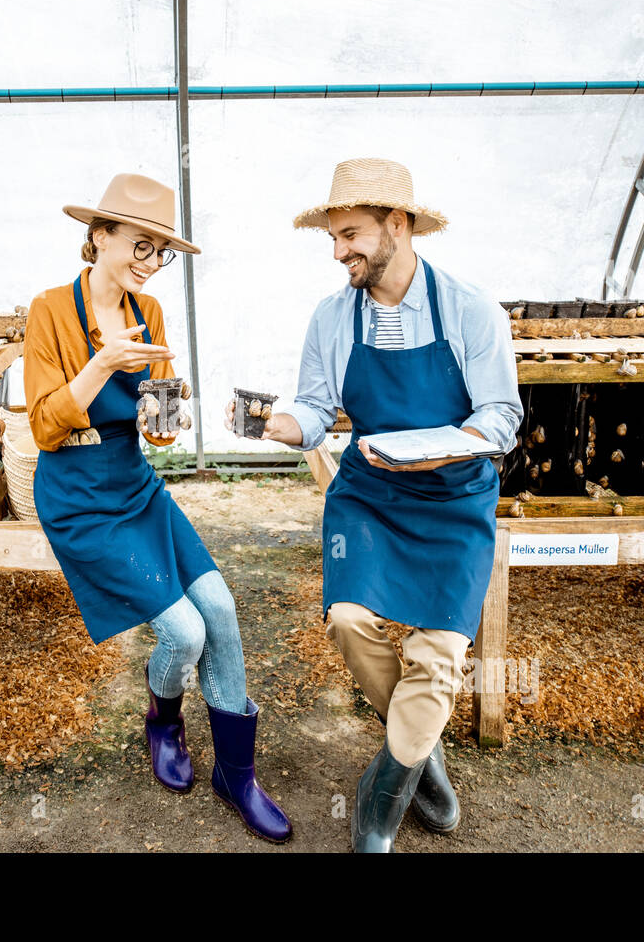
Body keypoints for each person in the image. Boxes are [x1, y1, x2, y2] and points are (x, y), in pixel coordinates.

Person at [227, 158, 521, 851]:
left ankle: (384, 793)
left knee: (441, 652)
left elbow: (500, 419)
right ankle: (424, 749)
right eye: (333, 237)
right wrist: (282, 424)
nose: (339, 252)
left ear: (398, 225)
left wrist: (427, 447)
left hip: (453, 498)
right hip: (370, 493)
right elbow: (316, 406)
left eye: (351, 234)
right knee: (348, 619)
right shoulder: (333, 317)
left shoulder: (470, 311)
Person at [25, 172, 291, 843]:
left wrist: (165, 411)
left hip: (134, 483)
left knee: (222, 610)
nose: (152, 263)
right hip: (79, 497)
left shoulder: (152, 314)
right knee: (186, 632)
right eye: (141, 246)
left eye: (160, 252)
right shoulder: (50, 310)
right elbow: (46, 428)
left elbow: (160, 429)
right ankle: (163, 721)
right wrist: (104, 362)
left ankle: (238, 773)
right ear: (100, 236)